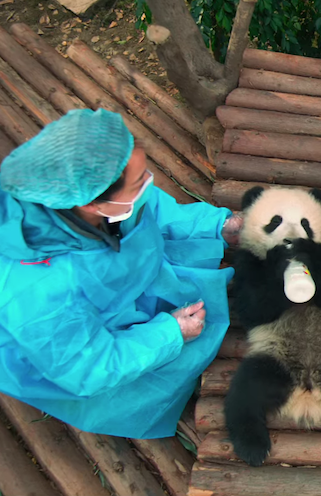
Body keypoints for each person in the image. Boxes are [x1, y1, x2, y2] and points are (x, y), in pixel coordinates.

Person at [0, 109, 241, 439]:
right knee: (142, 379)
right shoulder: (38, 293)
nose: (149, 183)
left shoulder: (97, 194)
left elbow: (152, 208)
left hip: (121, 289)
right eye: (139, 181)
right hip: (65, 354)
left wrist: (220, 226)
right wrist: (170, 333)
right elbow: (88, 367)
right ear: (91, 205)